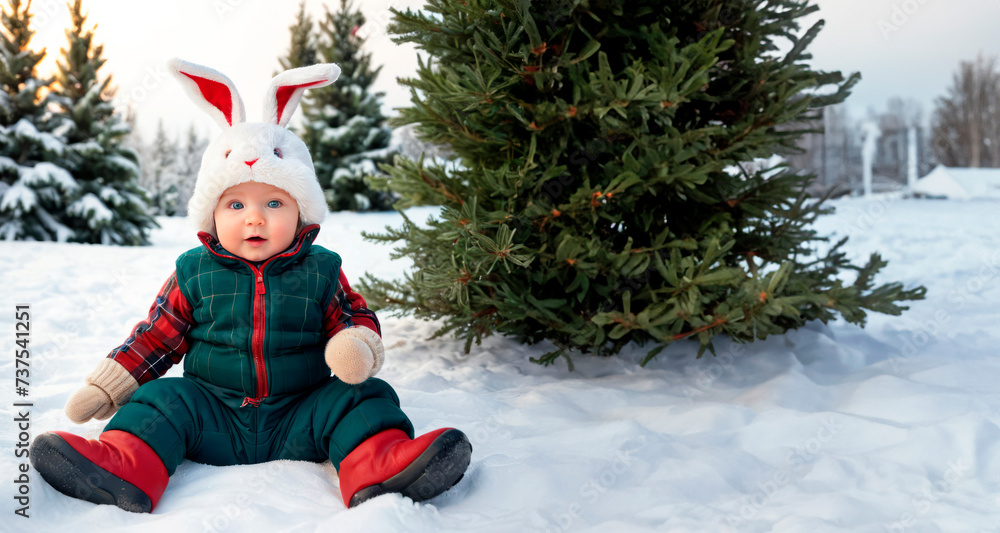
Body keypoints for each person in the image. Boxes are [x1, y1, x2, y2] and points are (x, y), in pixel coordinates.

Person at [29, 59, 472, 514]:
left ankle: (376, 465)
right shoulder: (194, 271)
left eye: (274, 202)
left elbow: (353, 316)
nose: (254, 217)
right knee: (160, 399)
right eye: (236, 203)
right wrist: (110, 386)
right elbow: (157, 337)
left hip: (304, 414)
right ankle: (127, 466)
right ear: (212, 216)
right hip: (210, 416)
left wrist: (355, 344)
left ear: (300, 212)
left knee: (361, 397)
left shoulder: (321, 268)